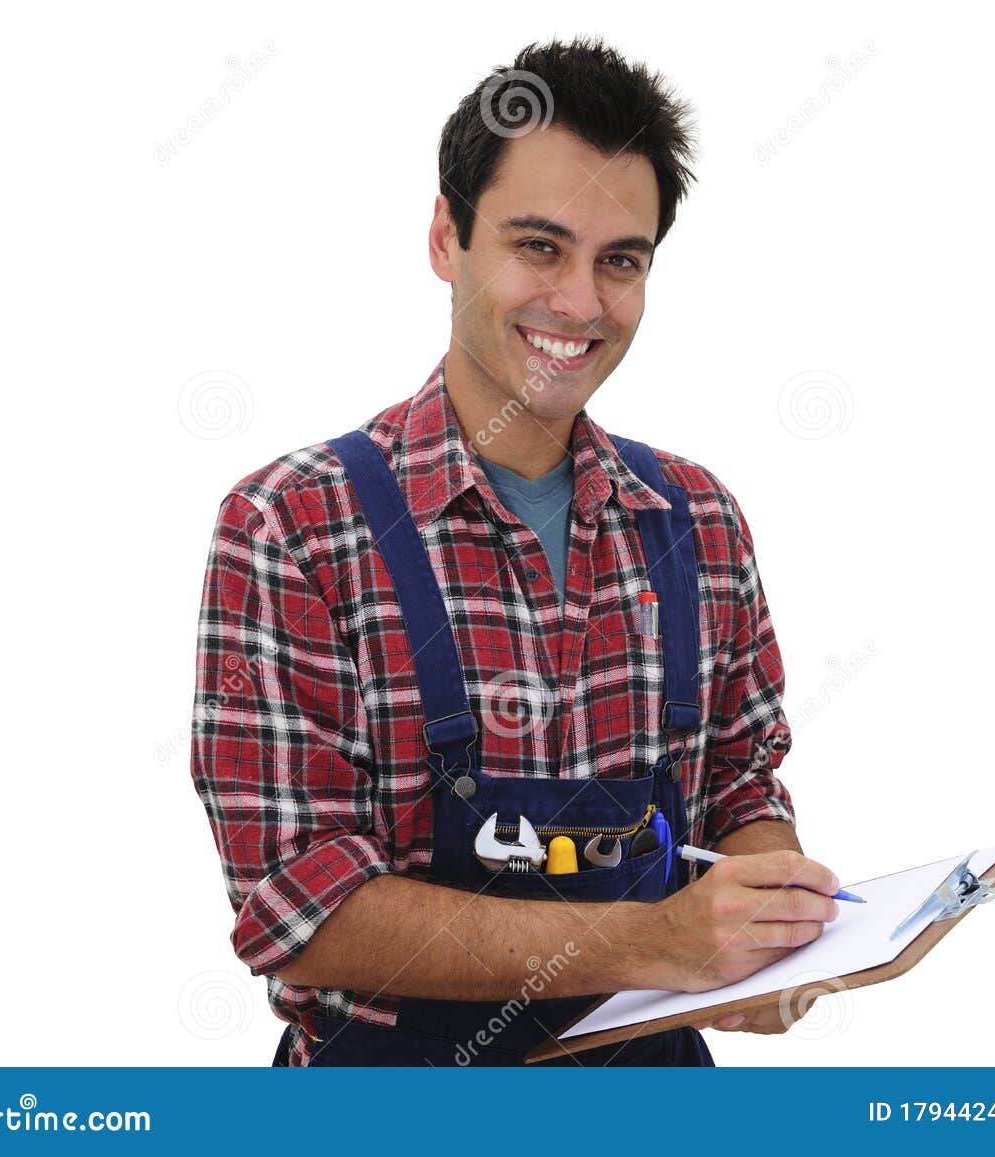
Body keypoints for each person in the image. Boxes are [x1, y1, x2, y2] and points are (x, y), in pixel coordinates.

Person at [188, 35, 841, 1067]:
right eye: (539, 246)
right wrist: (659, 940)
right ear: (447, 237)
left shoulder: (698, 521)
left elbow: (740, 787)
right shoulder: (294, 527)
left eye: (619, 260)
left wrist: (769, 939)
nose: (581, 303)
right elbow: (300, 907)